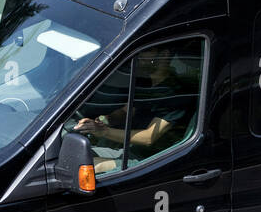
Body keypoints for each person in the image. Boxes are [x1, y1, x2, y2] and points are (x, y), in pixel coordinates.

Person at [74, 45, 198, 174]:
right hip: (127, 149)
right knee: (75, 155)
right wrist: (102, 121)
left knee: (89, 167)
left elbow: (148, 138)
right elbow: (125, 113)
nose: (139, 55)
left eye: (146, 50)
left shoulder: (176, 94)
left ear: (164, 55)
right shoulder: (144, 84)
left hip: (151, 160)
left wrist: (104, 131)